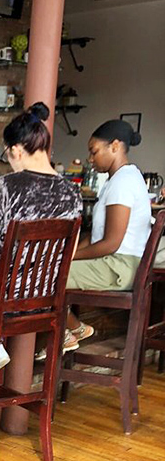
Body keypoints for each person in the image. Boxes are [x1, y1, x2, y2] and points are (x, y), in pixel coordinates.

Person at [0, 102, 82, 380]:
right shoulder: (72, 192)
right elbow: (69, 251)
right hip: (39, 299)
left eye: (8, 154)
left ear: (17, 150)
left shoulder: (8, 186)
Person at [64, 119, 151, 345]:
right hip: (116, 263)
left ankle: (71, 330)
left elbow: (111, 243)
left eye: (94, 152)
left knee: (45, 277)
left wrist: (69, 256)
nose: (90, 159)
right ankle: (65, 332)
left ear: (114, 146)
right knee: (46, 272)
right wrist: (69, 251)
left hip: (119, 266)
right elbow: (95, 235)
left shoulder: (123, 182)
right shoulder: (121, 178)